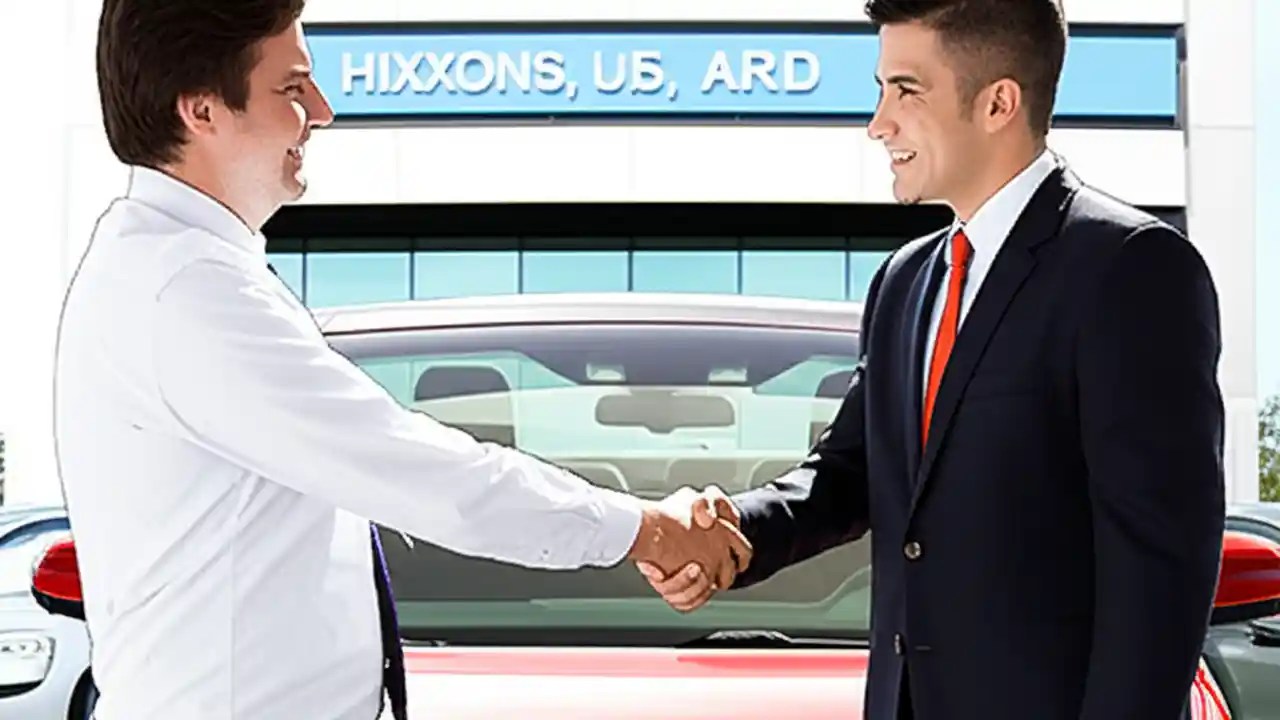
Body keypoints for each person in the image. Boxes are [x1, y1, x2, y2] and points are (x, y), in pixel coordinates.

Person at [53, 2, 748, 719]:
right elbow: (419, 473)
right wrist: (645, 529)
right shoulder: (184, 294)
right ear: (202, 110)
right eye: (292, 89)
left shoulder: (177, 272)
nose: (322, 112)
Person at [638, 1, 1226, 718]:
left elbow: (1160, 569)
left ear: (998, 102)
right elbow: (848, 475)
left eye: (905, 90)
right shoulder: (905, 281)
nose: (878, 123)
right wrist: (735, 528)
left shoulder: (1130, 270)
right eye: (881, 91)